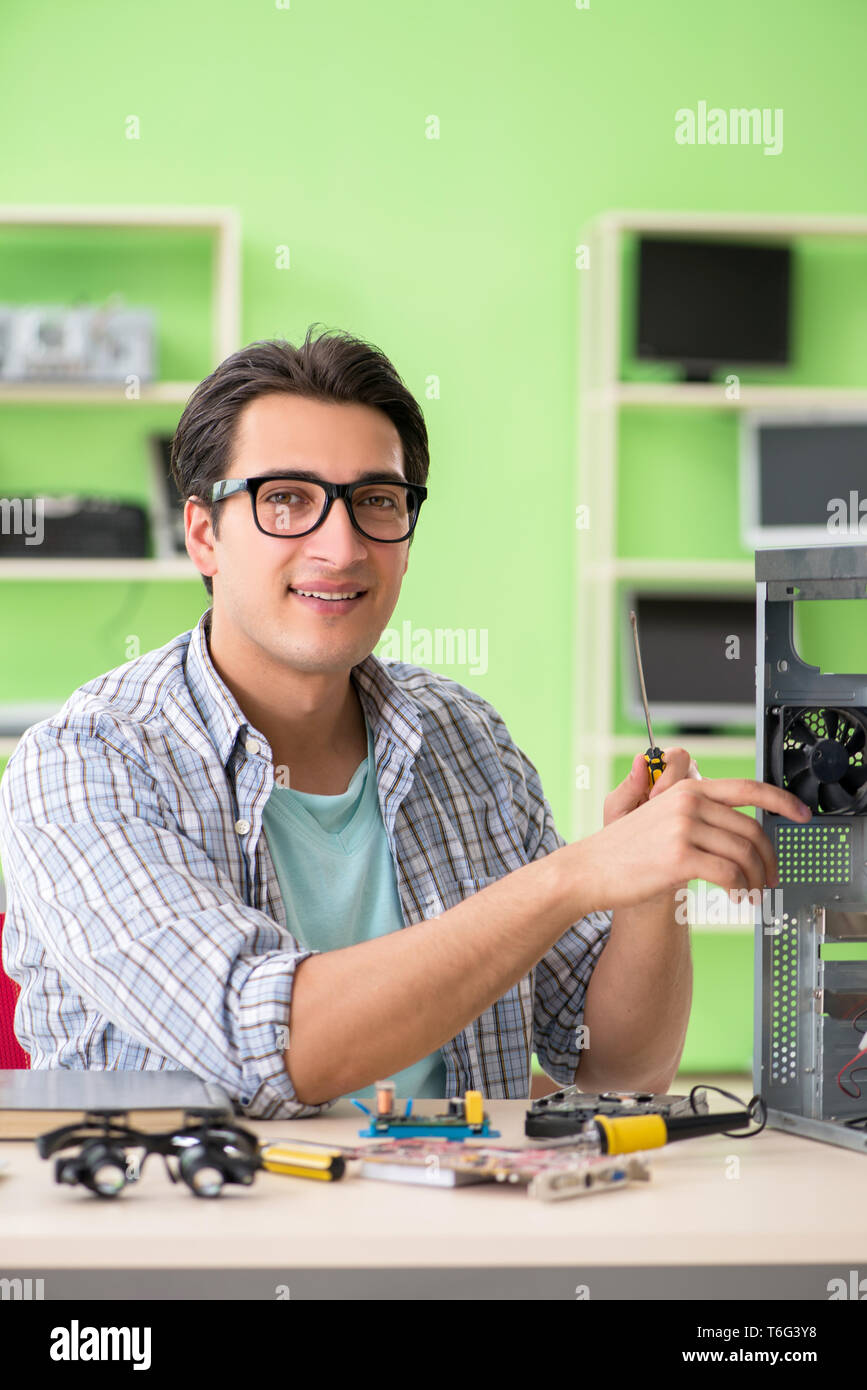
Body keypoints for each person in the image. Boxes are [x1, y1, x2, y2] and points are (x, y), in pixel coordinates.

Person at [0, 326, 810, 1118]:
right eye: (287, 500)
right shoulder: (85, 760)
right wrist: (573, 878)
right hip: (194, 1234)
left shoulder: (465, 738)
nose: (341, 545)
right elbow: (274, 1051)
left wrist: (643, 887)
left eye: (376, 503)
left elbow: (620, 1068)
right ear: (205, 534)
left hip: (461, 1227)